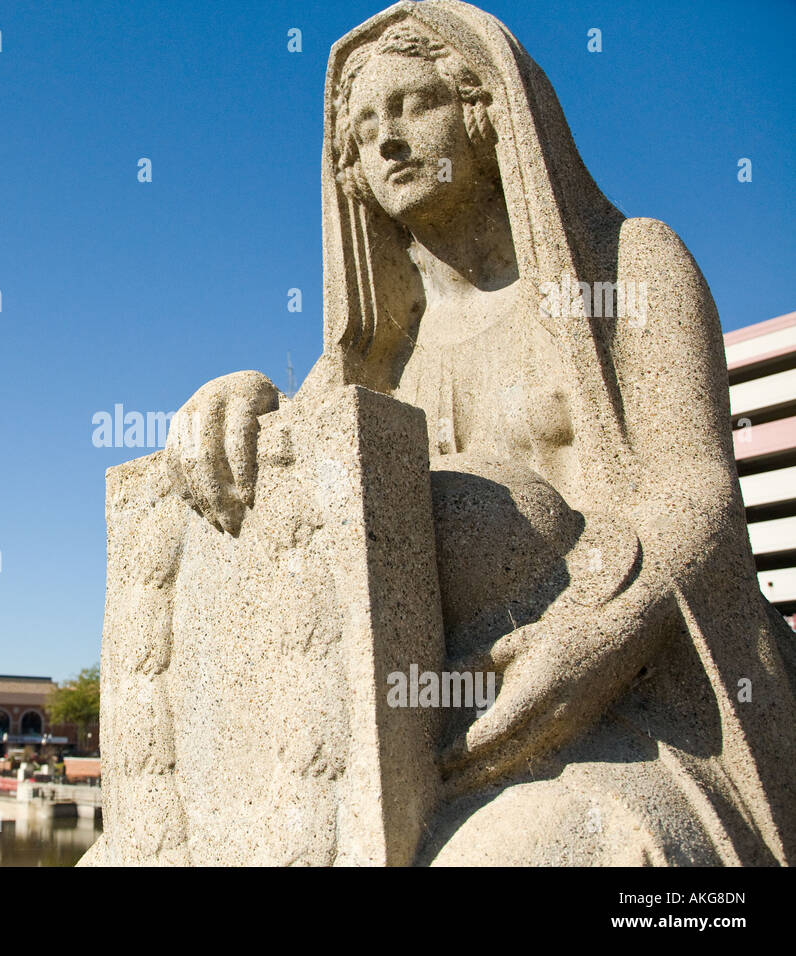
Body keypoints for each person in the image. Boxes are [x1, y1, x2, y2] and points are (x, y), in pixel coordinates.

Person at [164, 0, 796, 864]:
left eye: (411, 106)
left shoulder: (629, 266)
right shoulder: (371, 363)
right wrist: (238, 395)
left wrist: (590, 644)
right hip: (430, 731)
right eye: (361, 132)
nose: (385, 142)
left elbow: (697, 496)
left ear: (482, 108)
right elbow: (286, 474)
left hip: (631, 710)